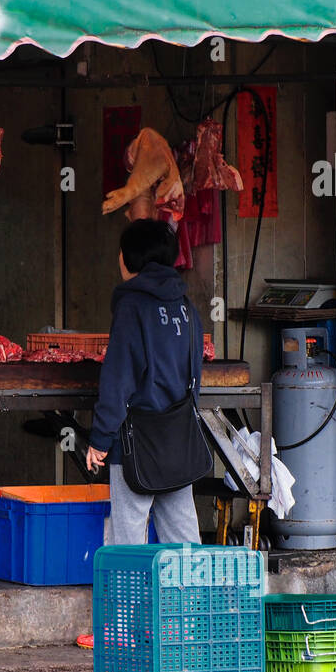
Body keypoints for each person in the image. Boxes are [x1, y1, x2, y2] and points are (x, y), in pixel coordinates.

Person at [84, 219, 204, 546]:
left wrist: (100, 438)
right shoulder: (186, 307)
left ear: (129, 258)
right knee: (184, 538)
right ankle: (191, 596)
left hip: (135, 440)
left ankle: (128, 598)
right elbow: (195, 378)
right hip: (178, 437)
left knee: (129, 535)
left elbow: (118, 378)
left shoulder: (132, 306)